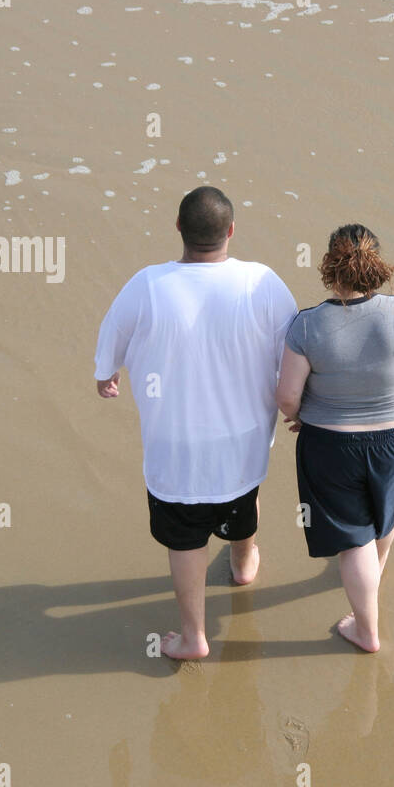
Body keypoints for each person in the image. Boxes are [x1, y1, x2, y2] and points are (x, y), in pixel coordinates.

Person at [94, 186, 298, 661]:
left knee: (185, 537)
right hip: (242, 440)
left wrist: (107, 375)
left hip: (175, 445)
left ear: (179, 229)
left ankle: (193, 637)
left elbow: (112, 339)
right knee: (241, 498)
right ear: (230, 231)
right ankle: (244, 562)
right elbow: (296, 354)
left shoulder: (146, 284)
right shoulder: (263, 282)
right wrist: (299, 408)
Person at [276, 224, 394, 652]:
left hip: (331, 444)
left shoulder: (307, 324)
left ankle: (365, 631)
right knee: (383, 516)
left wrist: (299, 417)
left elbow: (287, 396)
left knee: (353, 538)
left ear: (329, 267)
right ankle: (373, 572)